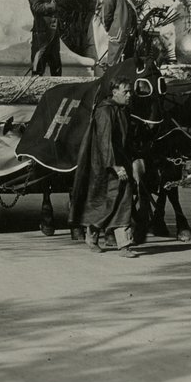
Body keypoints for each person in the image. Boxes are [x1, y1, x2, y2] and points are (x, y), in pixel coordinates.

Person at [70, 78, 139, 257]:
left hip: (122, 164)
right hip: (105, 167)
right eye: (126, 92)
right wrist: (115, 166)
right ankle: (91, 235)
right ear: (114, 92)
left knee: (124, 201)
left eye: (130, 91)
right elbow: (104, 140)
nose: (130, 95)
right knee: (106, 204)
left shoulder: (122, 111)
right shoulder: (105, 111)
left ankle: (124, 245)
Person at [25, 0, 62, 76]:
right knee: (39, 65)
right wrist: (51, 6)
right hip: (42, 29)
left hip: (53, 28)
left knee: (55, 64)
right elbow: (35, 7)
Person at [97, 0, 137, 68]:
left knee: (126, 64)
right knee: (114, 63)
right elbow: (106, 17)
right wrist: (112, 30)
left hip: (127, 34)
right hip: (117, 34)